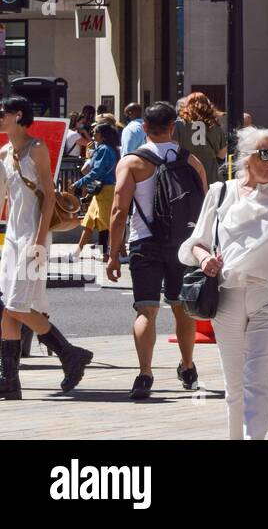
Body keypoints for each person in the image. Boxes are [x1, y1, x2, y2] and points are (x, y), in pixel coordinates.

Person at [180, 127, 268, 439]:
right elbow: (194, 243)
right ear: (246, 157)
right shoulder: (221, 192)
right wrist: (204, 260)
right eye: (265, 154)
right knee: (235, 383)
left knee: (257, 376)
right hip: (229, 295)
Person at [105, 101, 208, 400]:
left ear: (145, 128)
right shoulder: (191, 161)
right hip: (182, 245)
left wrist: (113, 254)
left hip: (144, 242)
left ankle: (145, 374)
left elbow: (117, 212)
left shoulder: (132, 162)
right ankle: (188, 367)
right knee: (182, 307)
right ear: (173, 127)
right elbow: (204, 209)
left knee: (146, 309)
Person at [0, 96, 95, 399]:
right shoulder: (4, 152)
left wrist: (39, 241)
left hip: (33, 235)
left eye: (2, 113)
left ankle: (70, 354)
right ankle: (11, 382)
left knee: (17, 306)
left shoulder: (37, 149)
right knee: (8, 312)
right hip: (13, 237)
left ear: (18, 116)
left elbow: (49, 197)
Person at [73, 122, 120, 259]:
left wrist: (79, 183)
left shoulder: (104, 149)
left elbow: (96, 171)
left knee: (103, 224)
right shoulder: (107, 148)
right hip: (104, 191)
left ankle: (112, 254)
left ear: (103, 135)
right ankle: (79, 252)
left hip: (105, 191)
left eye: (95, 132)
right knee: (90, 222)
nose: (93, 134)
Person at [174, 92, 228, 187]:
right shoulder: (214, 126)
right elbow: (222, 154)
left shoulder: (178, 125)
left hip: (185, 171)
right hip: (210, 172)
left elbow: (173, 148)